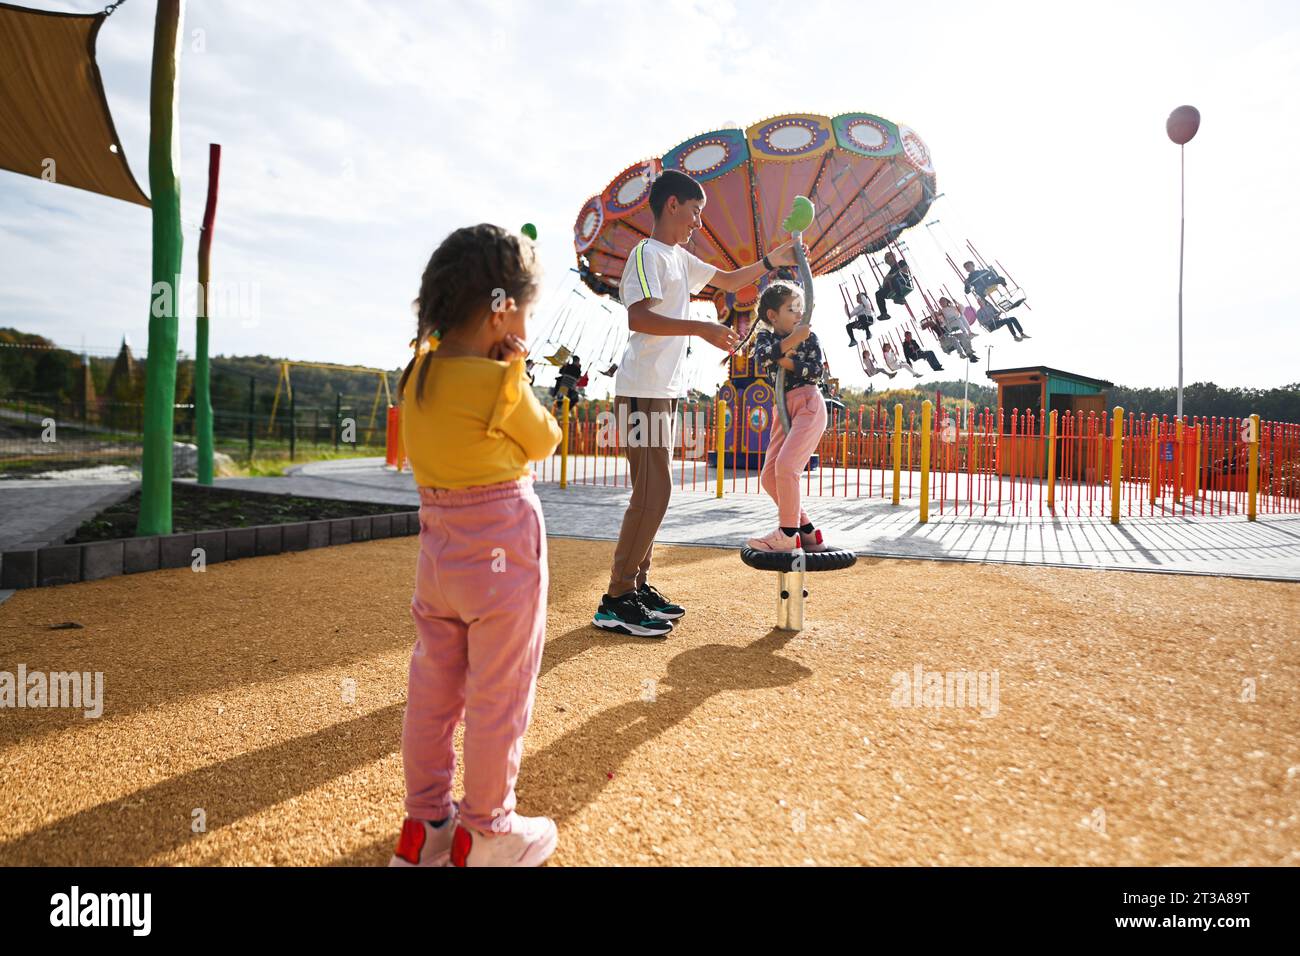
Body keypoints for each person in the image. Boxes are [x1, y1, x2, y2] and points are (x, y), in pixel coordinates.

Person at [389, 223, 562, 868]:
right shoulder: (502, 382)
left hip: (438, 556)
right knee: (499, 691)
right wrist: (516, 372)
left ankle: (426, 824)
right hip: (504, 551)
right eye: (525, 310)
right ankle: (487, 829)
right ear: (500, 314)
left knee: (433, 690)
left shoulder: (417, 378)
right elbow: (544, 441)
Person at [595, 169, 803, 636]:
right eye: (695, 211)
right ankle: (616, 598)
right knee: (653, 493)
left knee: (653, 494)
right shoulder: (647, 254)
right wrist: (702, 329)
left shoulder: (679, 258)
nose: (698, 222)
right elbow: (639, 318)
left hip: (661, 392)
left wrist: (774, 259)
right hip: (639, 392)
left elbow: (730, 282)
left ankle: (637, 586)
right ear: (672, 204)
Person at [746, 282, 834, 552]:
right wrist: (788, 344)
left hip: (808, 403)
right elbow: (760, 358)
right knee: (769, 477)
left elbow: (816, 371)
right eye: (791, 308)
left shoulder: (809, 337)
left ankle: (787, 533)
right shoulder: (766, 337)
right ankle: (807, 531)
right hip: (782, 408)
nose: (799, 313)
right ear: (773, 316)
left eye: (800, 308)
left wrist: (787, 361)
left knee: (786, 468)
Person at [875, 251, 914, 320]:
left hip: (903, 282)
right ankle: (884, 313)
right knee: (878, 293)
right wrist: (884, 282)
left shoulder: (900, 262)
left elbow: (905, 269)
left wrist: (891, 276)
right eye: (885, 258)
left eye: (887, 257)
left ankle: (900, 297)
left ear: (893, 256)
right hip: (892, 287)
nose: (886, 259)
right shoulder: (889, 272)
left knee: (895, 278)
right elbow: (885, 281)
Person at [939, 297, 979, 361]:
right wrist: (938, 316)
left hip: (957, 321)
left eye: (943, 301)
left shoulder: (952, 307)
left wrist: (956, 303)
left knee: (962, 316)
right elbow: (941, 321)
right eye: (941, 302)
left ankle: (969, 333)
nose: (942, 303)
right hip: (950, 324)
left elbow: (962, 309)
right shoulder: (941, 311)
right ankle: (966, 334)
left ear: (947, 301)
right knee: (959, 321)